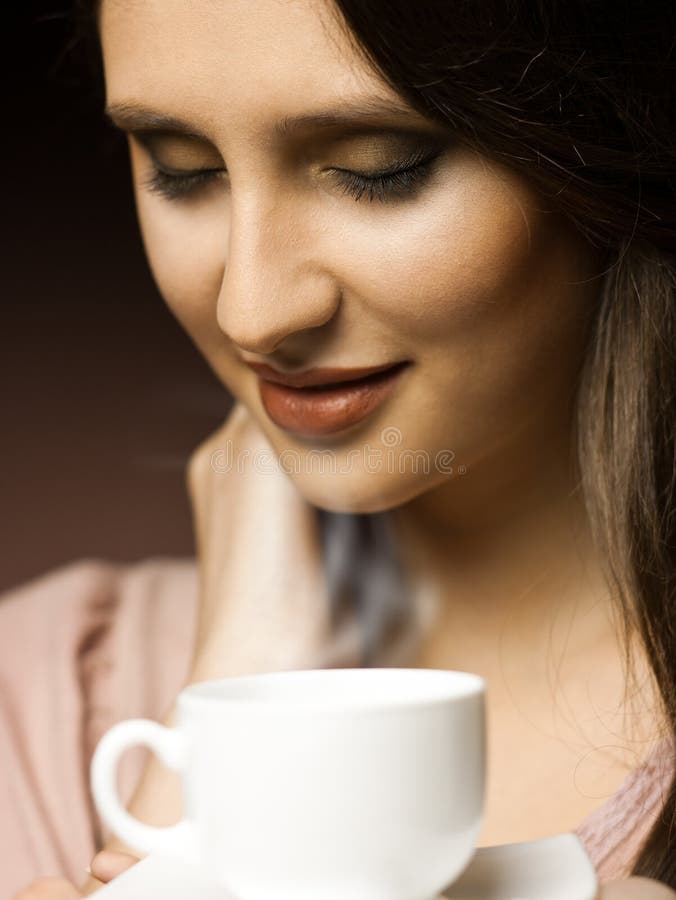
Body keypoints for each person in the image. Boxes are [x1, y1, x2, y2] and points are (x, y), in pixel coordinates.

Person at [5, 0, 675, 897]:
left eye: (377, 171)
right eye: (185, 171)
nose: (253, 312)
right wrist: (238, 678)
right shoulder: (42, 691)